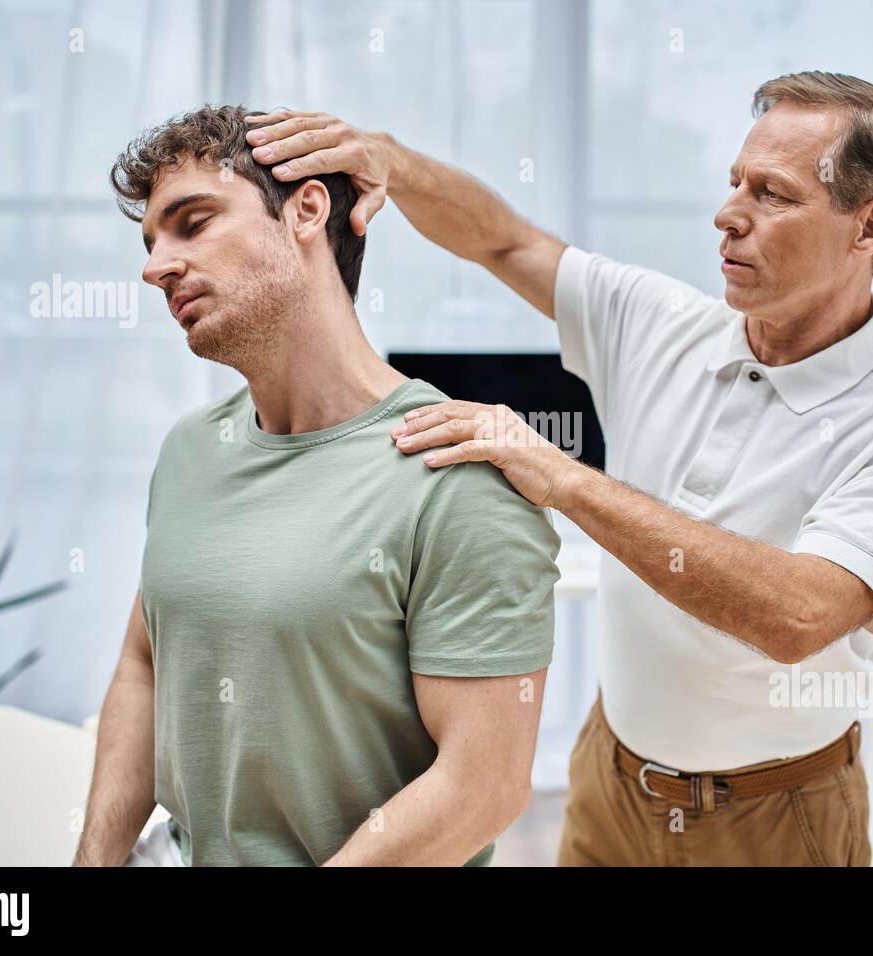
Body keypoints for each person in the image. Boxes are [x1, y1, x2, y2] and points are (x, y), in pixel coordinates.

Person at [243, 71, 873, 866]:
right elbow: (504, 240)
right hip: (611, 778)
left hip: (778, 820)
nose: (728, 216)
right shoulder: (658, 319)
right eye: (736, 182)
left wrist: (558, 476)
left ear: (869, 227)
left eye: (773, 194)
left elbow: (797, 617)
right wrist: (389, 159)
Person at [72, 105, 561, 867]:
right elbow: (144, 664)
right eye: (149, 240)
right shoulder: (191, 450)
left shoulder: (455, 472)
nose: (153, 265)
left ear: (307, 209)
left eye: (191, 223)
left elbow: (485, 788)